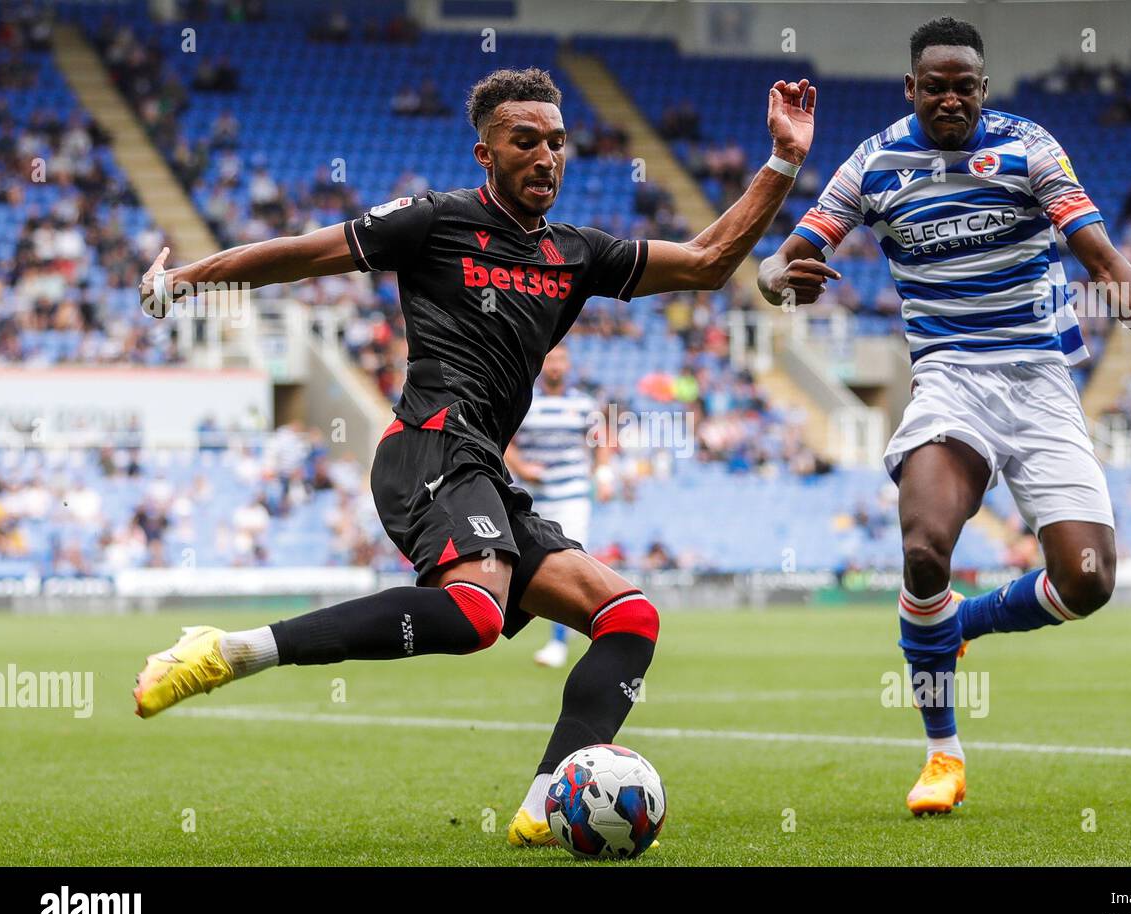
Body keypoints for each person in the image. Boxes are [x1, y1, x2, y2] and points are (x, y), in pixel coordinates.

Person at [134, 67, 818, 847]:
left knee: (629, 616)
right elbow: (302, 254)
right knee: (477, 615)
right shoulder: (434, 221)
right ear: (484, 153)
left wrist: (783, 163)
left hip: (482, 466)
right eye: (524, 141)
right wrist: (189, 279)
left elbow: (706, 262)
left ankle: (539, 806)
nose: (545, 157)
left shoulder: (577, 252)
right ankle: (228, 652)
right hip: (426, 442)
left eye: (557, 143)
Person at [758, 17, 1131, 816]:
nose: (951, 98)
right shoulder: (874, 162)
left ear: (984, 89)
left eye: (965, 85)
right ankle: (941, 754)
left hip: (1040, 382)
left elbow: (1101, 259)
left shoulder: (1030, 147)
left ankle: (967, 623)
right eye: (936, 86)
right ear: (911, 88)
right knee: (924, 549)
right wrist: (780, 280)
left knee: (1089, 582)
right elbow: (776, 263)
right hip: (949, 381)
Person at [503, 343, 612, 668]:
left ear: (568, 366)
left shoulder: (582, 404)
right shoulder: (525, 401)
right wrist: (521, 467)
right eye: (550, 359)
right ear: (541, 362)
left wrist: (604, 475)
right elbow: (504, 440)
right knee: (533, 567)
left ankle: (558, 643)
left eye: (561, 360)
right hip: (534, 499)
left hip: (573, 495)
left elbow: (600, 440)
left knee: (569, 562)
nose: (555, 366)